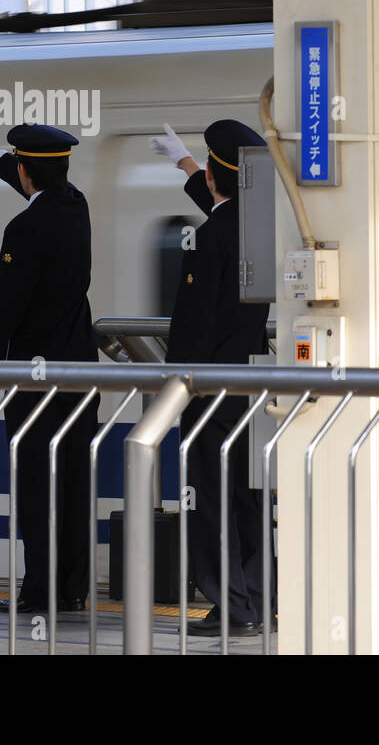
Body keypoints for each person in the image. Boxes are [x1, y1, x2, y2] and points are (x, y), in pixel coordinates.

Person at [0, 125, 98, 614]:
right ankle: (72, 590)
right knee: (73, 482)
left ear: (26, 171)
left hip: (33, 377)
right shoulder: (77, 206)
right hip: (82, 373)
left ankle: (39, 590)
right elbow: (37, 182)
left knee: (38, 485)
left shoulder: (22, 229)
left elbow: (7, 303)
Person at [151, 120, 272, 636]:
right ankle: (257, 599)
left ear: (217, 176)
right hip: (253, 384)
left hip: (211, 390)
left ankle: (230, 606)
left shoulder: (205, 240)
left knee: (213, 499)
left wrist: (177, 388)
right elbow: (226, 206)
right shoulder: (259, 228)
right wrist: (186, 163)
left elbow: (193, 326)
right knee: (248, 496)